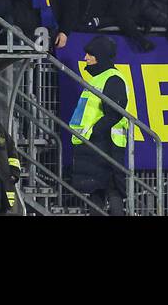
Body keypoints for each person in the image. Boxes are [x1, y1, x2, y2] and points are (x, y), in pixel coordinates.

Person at [69, 34, 131, 215]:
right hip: (96, 143)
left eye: (90, 54)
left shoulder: (112, 78)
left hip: (107, 143)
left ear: (101, 56)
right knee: (97, 188)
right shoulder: (98, 78)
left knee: (112, 188)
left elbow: (115, 112)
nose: (85, 58)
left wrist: (94, 131)